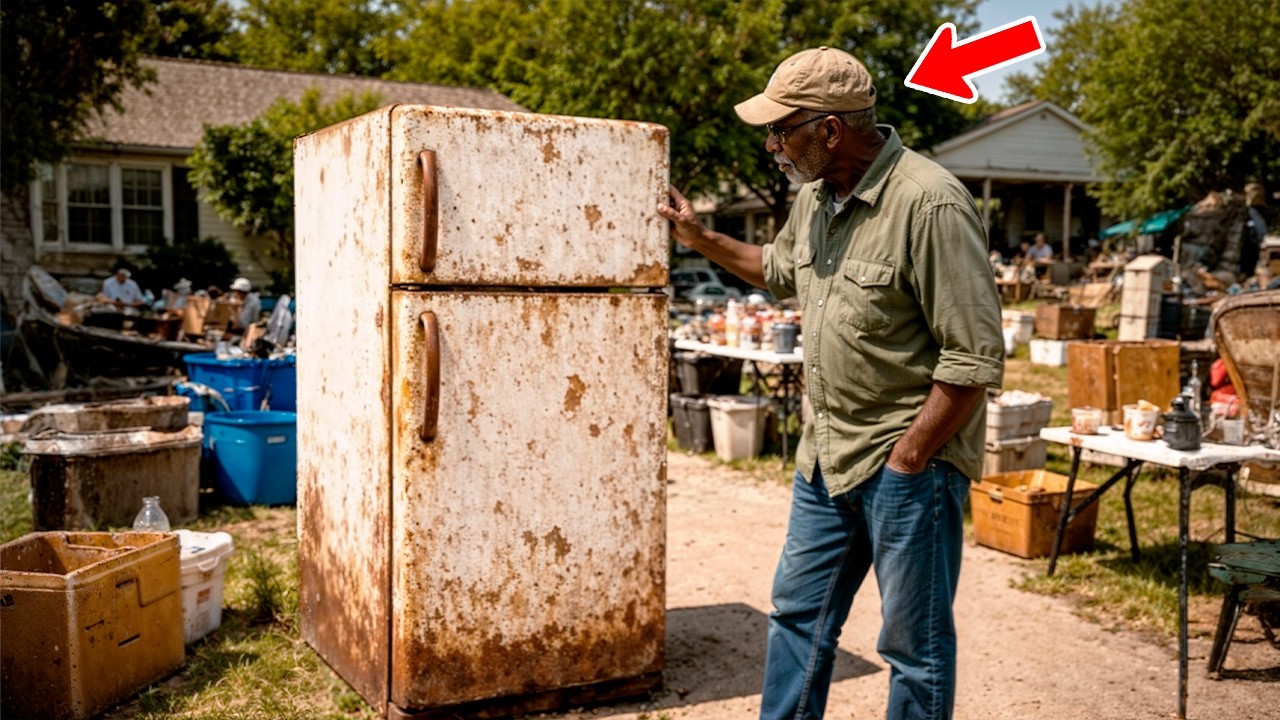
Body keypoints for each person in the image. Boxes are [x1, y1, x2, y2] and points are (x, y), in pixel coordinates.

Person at [658, 46, 1003, 719]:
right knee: (796, 617)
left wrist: (909, 458)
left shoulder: (929, 204)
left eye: (780, 129)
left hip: (909, 467)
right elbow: (778, 269)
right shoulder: (817, 200)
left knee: (913, 647)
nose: (770, 145)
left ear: (830, 129)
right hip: (826, 455)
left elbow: (973, 358)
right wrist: (699, 237)